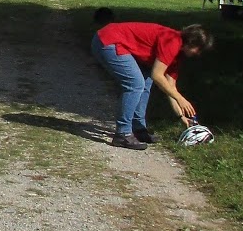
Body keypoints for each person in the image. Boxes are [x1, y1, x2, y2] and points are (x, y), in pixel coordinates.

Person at [91, 22, 213, 151]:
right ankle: (123, 134)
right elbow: (157, 75)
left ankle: (138, 129)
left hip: (118, 42)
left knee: (145, 82)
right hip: (108, 39)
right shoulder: (172, 42)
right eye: (199, 49)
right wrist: (180, 98)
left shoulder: (178, 55)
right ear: (191, 42)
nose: (198, 54)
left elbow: (170, 87)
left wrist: (181, 116)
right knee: (135, 84)